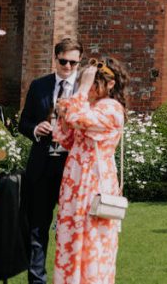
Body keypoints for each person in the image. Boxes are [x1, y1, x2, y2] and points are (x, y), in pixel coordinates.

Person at [51, 58, 127, 284]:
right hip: (75, 179)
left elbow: (77, 117)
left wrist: (80, 90)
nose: (88, 88)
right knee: (71, 237)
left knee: (91, 238)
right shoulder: (89, 105)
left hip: (93, 181)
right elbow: (63, 137)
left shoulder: (111, 108)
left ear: (110, 84)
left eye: (93, 83)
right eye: (87, 83)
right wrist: (62, 113)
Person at [18, 37, 82, 284]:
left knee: (72, 228)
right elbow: (24, 122)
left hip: (72, 169)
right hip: (42, 167)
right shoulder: (39, 86)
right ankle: (37, 280)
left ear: (79, 62)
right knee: (37, 227)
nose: (67, 67)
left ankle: (70, 278)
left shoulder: (84, 91)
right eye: (63, 61)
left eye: (73, 63)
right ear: (55, 59)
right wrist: (36, 129)